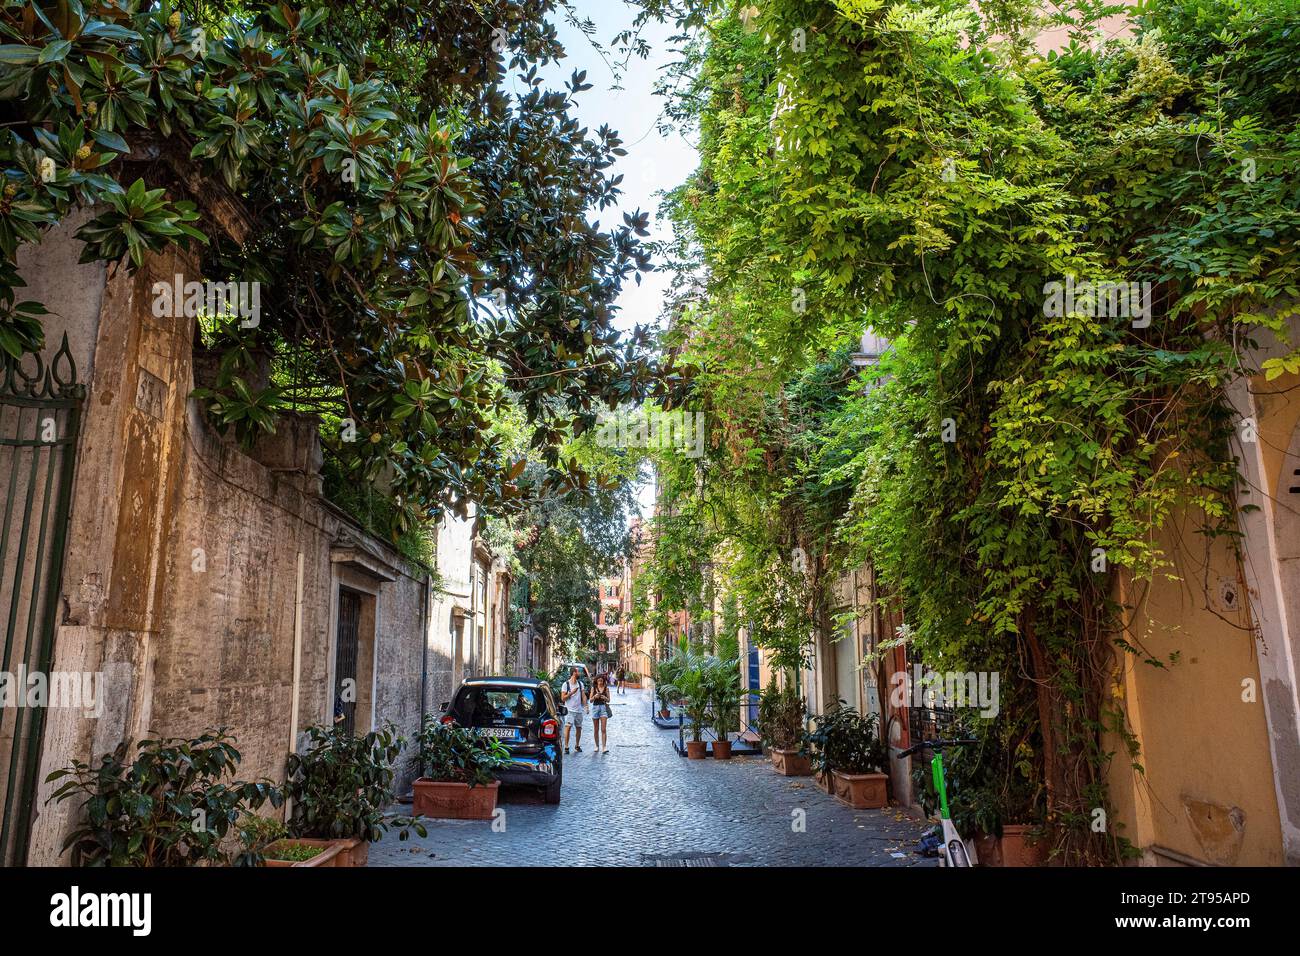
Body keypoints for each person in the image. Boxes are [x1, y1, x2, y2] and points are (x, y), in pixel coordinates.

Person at [560, 666, 587, 754]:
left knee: (579, 728)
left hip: (579, 710)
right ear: (573, 673)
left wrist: (586, 705)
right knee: (568, 728)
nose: (579, 673)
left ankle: (577, 745)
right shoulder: (566, 684)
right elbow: (563, 699)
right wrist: (571, 693)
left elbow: (583, 695)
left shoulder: (580, 684)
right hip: (569, 710)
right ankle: (566, 746)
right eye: (577, 672)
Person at [589, 674, 613, 754]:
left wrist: (604, 698)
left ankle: (604, 747)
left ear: (603, 681)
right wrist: (595, 696)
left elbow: (609, 700)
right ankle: (596, 746)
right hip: (595, 708)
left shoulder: (606, 688)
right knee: (596, 729)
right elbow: (591, 700)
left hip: (603, 709)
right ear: (596, 681)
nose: (600, 682)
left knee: (603, 729)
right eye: (598, 681)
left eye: (601, 681)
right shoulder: (593, 688)